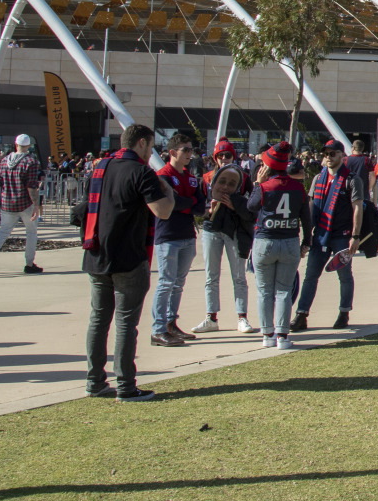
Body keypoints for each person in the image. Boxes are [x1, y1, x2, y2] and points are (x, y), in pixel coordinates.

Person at [81, 124, 175, 401]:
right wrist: (168, 192)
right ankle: (125, 385)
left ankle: (95, 381)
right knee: (125, 323)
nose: (151, 153)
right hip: (128, 257)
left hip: (97, 253)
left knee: (98, 320)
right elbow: (163, 211)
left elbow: (85, 207)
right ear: (142, 143)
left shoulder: (99, 168)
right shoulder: (141, 172)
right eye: (151, 146)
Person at [297, 138, 365, 331]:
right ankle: (301, 314)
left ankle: (344, 312)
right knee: (311, 275)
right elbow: (312, 206)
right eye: (326, 154)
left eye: (332, 153)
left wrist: (355, 236)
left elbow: (357, 208)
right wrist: (307, 235)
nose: (328, 157)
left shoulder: (351, 179)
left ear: (342, 155)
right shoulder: (318, 179)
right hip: (320, 234)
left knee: (344, 276)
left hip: (342, 235)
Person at [245, 141, 307, 349]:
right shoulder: (298, 188)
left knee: (264, 291)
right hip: (289, 240)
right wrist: (306, 241)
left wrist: (257, 184)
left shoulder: (264, 187)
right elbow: (306, 218)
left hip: (265, 240)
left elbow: (251, 206)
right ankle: (282, 336)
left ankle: (267, 334)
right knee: (284, 291)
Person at [194, 140, 251, 334]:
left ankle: (242, 317)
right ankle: (211, 317)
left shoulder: (243, 178)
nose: (224, 159)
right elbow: (198, 206)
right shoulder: (207, 178)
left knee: (239, 275)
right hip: (211, 228)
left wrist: (235, 205)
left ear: (233, 157)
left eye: (228, 155)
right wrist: (208, 211)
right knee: (211, 275)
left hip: (234, 229)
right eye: (220, 156)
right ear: (215, 158)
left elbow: (251, 207)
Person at [150, 138, 201, 347]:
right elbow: (172, 204)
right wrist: (188, 202)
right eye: (186, 150)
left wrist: (185, 202)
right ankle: (158, 329)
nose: (190, 154)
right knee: (166, 282)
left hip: (187, 234)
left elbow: (200, 205)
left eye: (191, 150)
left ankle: (171, 323)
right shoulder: (163, 176)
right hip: (168, 235)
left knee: (178, 283)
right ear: (172, 152)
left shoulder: (190, 178)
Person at [0, 134, 44, 276]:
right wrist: (35, 205)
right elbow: (31, 185)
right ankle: (29, 264)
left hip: (7, 202)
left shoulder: (4, 161)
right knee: (31, 232)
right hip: (25, 202)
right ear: (28, 146)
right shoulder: (31, 161)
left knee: (3, 231)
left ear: (16, 144)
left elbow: (0, 181)